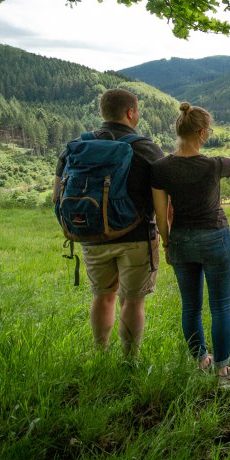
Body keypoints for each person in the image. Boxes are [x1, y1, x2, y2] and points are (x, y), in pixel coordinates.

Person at [151, 102, 230, 387]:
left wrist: (166, 243)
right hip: (215, 238)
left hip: (182, 241)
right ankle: (223, 373)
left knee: (190, 307)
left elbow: (161, 214)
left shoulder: (160, 168)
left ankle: (201, 360)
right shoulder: (213, 165)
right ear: (201, 132)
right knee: (220, 306)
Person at [53, 88, 164, 357]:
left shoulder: (76, 148)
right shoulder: (145, 148)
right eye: (137, 111)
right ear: (130, 113)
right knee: (133, 301)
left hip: (91, 236)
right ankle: (130, 360)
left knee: (103, 297)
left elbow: (57, 197)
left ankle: (100, 353)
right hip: (136, 237)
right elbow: (163, 197)